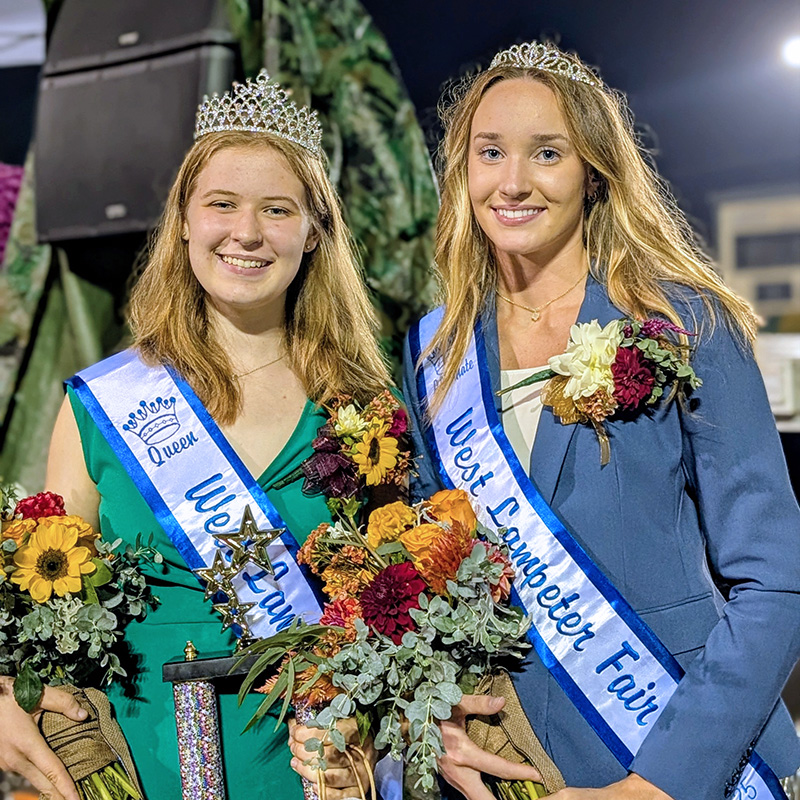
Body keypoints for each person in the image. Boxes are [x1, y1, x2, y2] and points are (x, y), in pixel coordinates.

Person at [402, 41, 800, 800]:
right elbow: (425, 577)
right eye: (490, 152)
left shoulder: (683, 322)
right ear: (463, 171)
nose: (512, 182)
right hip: (508, 765)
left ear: (593, 173)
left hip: (680, 757)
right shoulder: (433, 354)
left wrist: (658, 786)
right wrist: (437, 721)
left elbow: (778, 582)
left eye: (546, 153)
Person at [0, 72, 388, 800]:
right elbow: (36, 614)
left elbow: (395, 617)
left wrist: (369, 749)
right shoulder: (102, 406)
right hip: (143, 770)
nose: (246, 232)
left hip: (311, 773)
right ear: (182, 219)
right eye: (222, 204)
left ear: (313, 231)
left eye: (277, 209)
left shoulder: (363, 411)